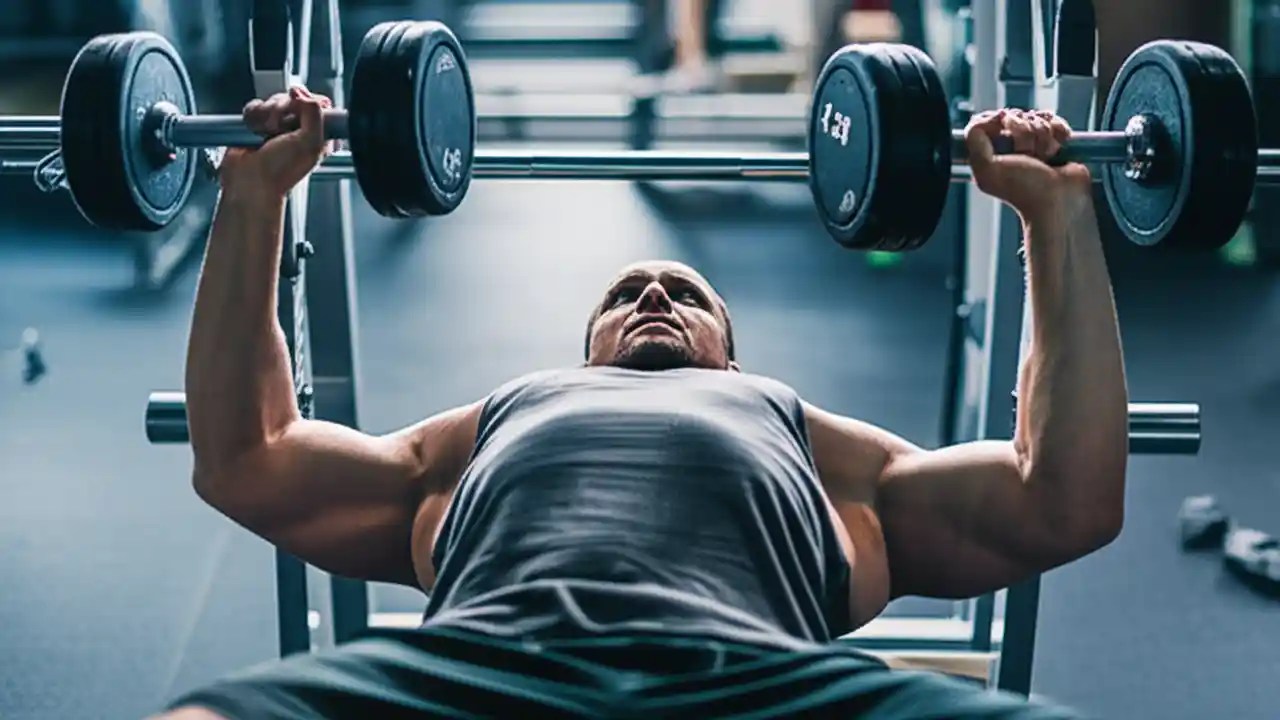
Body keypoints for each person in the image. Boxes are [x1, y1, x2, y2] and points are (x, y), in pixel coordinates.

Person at [153, 88, 1126, 719]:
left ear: (734, 369)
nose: (650, 295)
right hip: (478, 673)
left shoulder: (806, 438)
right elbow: (249, 453)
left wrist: (1055, 212)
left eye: (682, 294)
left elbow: (1062, 497)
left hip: (764, 684)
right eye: (622, 296)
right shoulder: (495, 422)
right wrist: (253, 199)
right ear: (582, 359)